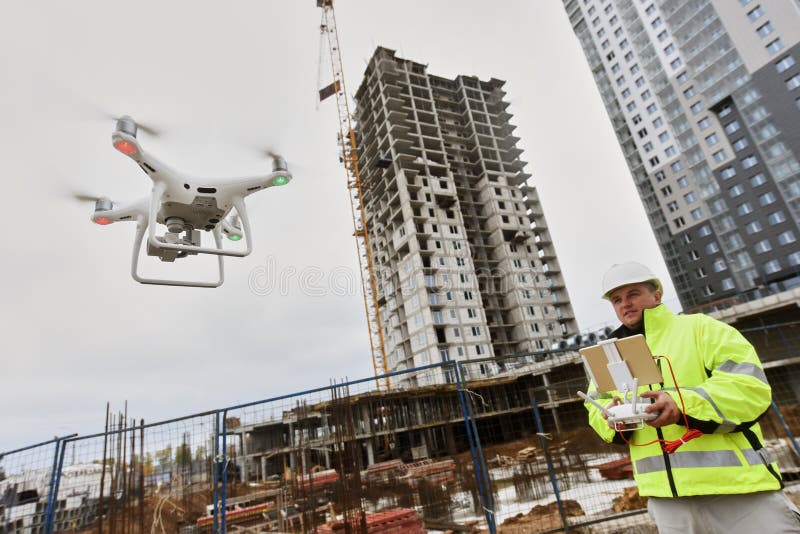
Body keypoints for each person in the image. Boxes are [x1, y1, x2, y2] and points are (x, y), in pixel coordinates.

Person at [584, 261, 800, 533]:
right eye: (616, 299)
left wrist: (681, 403)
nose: (624, 304)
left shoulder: (701, 329)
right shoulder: (609, 355)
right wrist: (610, 418)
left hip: (739, 492)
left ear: (657, 296)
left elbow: (749, 387)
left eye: (633, 294)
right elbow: (596, 404)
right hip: (669, 504)